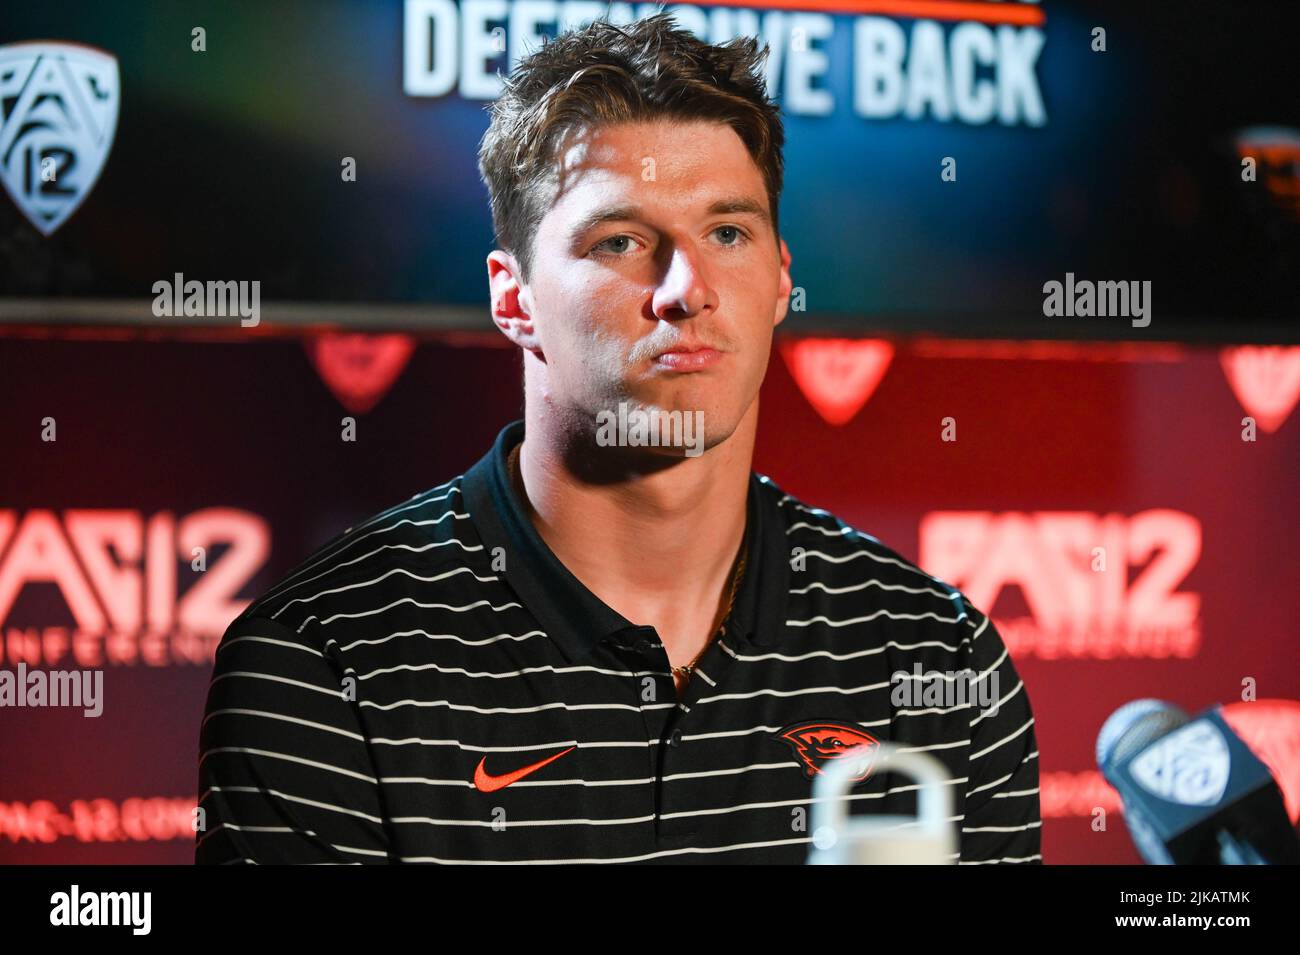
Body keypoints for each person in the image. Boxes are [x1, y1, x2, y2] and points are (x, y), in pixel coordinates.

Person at [196, 12, 1041, 864]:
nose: (687, 290)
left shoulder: (936, 653)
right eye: (622, 240)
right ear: (514, 296)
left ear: (782, 276)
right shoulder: (319, 663)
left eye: (727, 232)